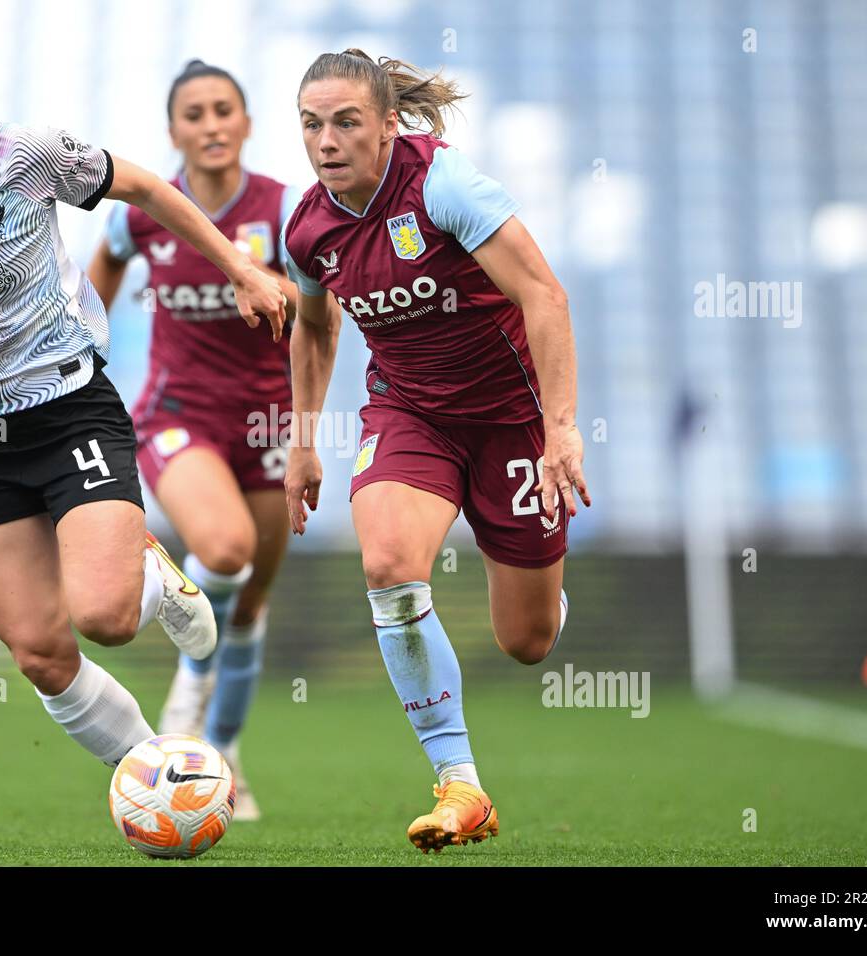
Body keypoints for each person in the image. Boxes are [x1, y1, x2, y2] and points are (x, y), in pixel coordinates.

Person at [0, 25, 285, 777]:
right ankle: (165, 776)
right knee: (42, 654)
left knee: (107, 620)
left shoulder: (26, 154)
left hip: (69, 407)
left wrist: (238, 267)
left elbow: (145, 188)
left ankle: (152, 576)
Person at [281, 50, 590, 852]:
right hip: (409, 412)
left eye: (346, 122)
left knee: (525, 643)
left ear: (389, 124)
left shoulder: (446, 186)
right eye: (312, 124)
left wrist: (561, 428)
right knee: (387, 564)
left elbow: (544, 295)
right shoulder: (308, 228)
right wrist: (304, 440)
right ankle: (460, 782)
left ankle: (543, 590)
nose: (326, 141)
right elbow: (315, 326)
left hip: (512, 421)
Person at [88, 60, 320, 820]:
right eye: (195, 113)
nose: (211, 124)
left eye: (225, 109)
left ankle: (221, 760)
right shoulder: (142, 213)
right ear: (174, 131)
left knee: (248, 608)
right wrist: (82, 351)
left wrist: (281, 291)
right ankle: (183, 714)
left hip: (268, 425)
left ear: (248, 124)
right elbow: (100, 275)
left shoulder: (286, 212)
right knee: (224, 550)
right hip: (177, 412)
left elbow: (323, 314)